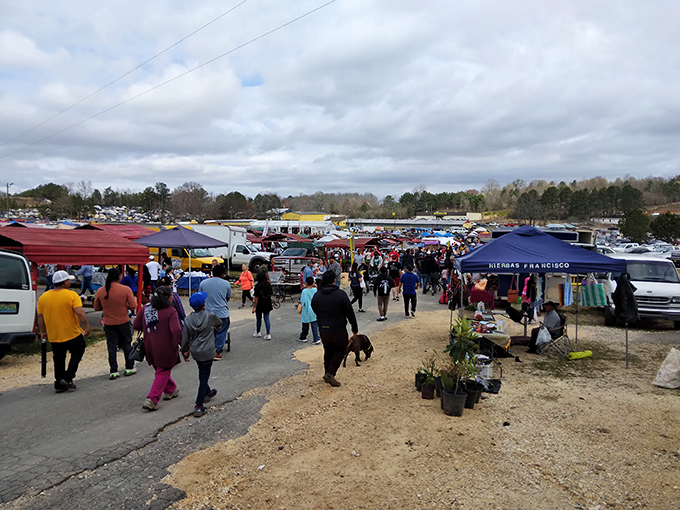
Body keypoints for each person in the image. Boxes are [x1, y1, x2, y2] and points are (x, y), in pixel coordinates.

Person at [37, 270, 91, 393]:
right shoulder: (71, 295)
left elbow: (40, 316)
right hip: (72, 332)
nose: (69, 282)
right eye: (68, 280)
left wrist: (43, 331)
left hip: (54, 333)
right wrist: (86, 326)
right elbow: (80, 312)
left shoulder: (43, 297)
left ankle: (59, 383)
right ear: (64, 282)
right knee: (78, 351)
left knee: (59, 358)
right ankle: (67, 377)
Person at [133, 286, 182, 411]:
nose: (172, 297)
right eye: (171, 295)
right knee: (163, 370)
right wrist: (184, 345)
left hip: (149, 345)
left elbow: (136, 325)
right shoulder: (171, 311)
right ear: (166, 298)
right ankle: (152, 399)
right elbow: (176, 331)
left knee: (160, 370)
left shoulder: (146, 308)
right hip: (165, 346)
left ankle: (170, 390)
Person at [311, 271, 359, 387]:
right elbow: (349, 312)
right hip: (338, 328)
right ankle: (330, 373)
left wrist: (322, 318)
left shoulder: (317, 295)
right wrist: (354, 327)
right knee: (340, 349)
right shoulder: (340, 294)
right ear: (334, 280)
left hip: (323, 329)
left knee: (328, 350)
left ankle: (327, 372)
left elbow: (314, 307)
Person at [181, 291, 222, 417]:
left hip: (196, 351)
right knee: (204, 375)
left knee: (202, 372)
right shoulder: (210, 316)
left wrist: (185, 351)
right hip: (208, 350)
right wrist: (214, 329)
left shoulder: (188, 319)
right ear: (204, 304)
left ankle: (207, 392)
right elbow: (219, 324)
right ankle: (199, 404)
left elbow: (185, 338)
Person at [93, 268, 137, 379]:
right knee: (127, 344)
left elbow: (96, 307)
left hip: (108, 322)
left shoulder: (101, 290)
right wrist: (124, 306)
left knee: (111, 346)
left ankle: (113, 370)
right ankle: (129, 367)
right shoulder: (125, 289)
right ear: (118, 277)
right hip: (123, 320)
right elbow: (133, 305)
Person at [199, 264, 232, 360]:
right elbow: (228, 297)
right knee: (222, 329)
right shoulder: (226, 284)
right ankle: (217, 350)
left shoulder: (203, 283)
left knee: (209, 330)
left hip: (208, 312)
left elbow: (200, 297)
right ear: (222, 274)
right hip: (222, 312)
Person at [298, 276, 321, 344]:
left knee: (305, 325)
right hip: (314, 309)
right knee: (314, 325)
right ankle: (316, 338)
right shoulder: (315, 290)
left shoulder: (304, 291)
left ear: (306, 283)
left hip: (306, 309)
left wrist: (300, 303)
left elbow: (303, 301)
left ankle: (303, 337)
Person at [252, 271, 273, 340]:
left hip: (260, 303)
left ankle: (258, 332)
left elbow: (256, 297)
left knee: (258, 318)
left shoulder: (258, 286)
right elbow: (271, 293)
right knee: (266, 318)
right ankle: (268, 334)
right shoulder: (268, 285)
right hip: (267, 302)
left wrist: (254, 306)